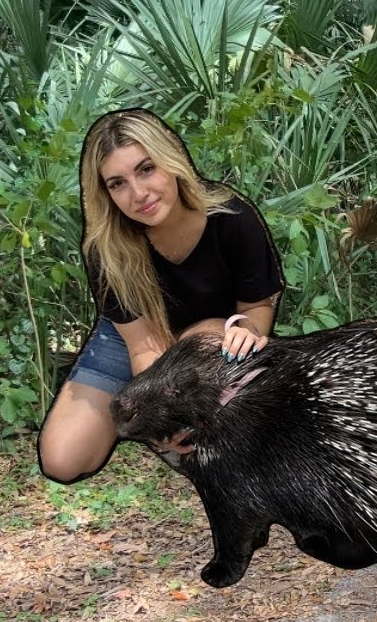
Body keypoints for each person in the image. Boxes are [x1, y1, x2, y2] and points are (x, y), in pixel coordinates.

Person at [37, 108, 285, 484]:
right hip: (135, 340)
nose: (138, 194)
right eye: (117, 183)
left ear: (170, 161)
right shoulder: (106, 248)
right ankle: (167, 434)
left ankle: (209, 433)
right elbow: (143, 347)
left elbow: (256, 305)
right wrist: (158, 419)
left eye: (146, 169)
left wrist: (246, 329)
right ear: (105, 192)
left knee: (209, 346)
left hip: (210, 338)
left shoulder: (232, 218)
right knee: (62, 459)